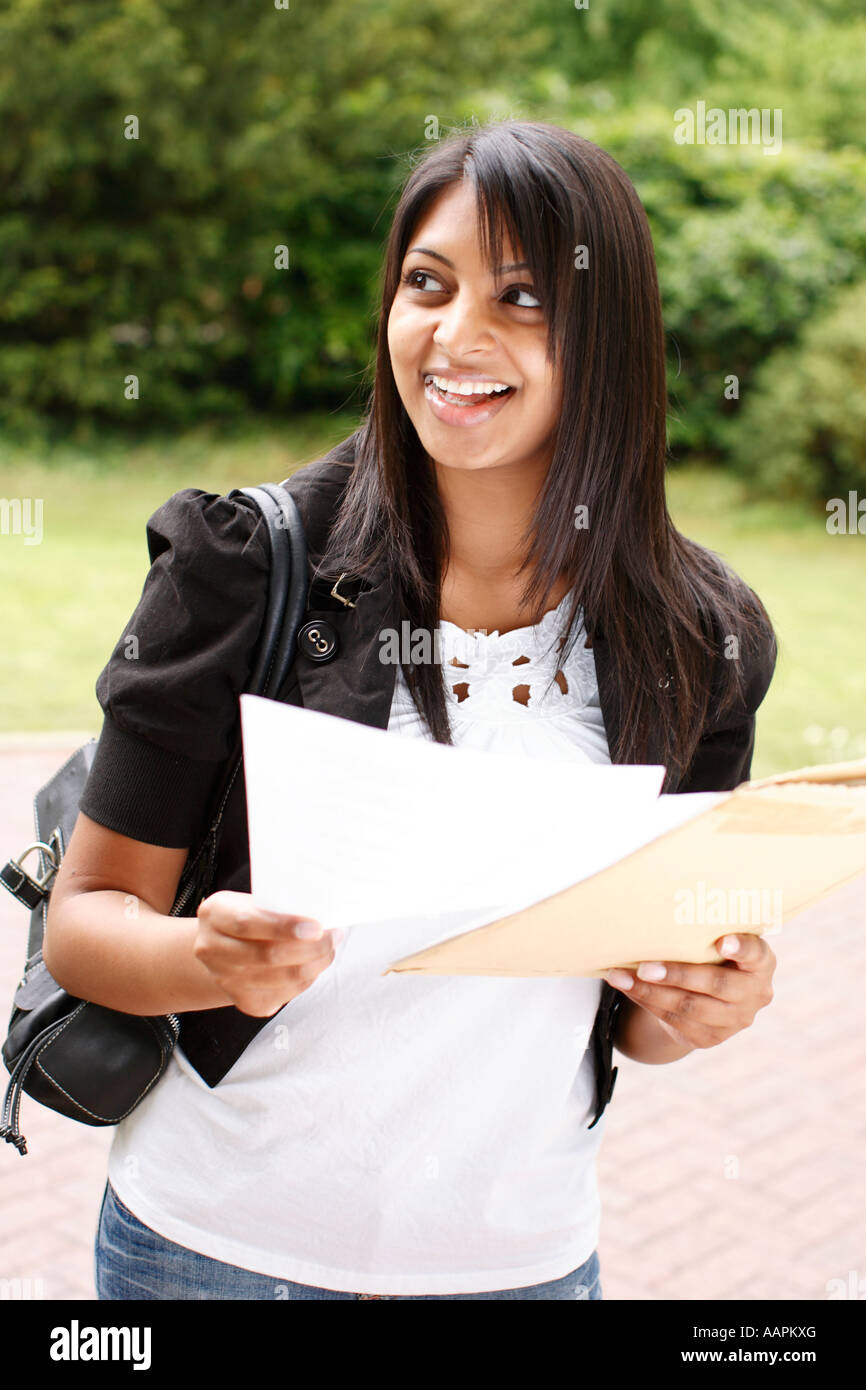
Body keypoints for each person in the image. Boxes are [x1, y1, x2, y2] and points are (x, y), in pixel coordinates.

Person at [43, 120, 778, 1301]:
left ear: (611, 337)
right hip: (211, 1253)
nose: (454, 333)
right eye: (426, 285)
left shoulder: (699, 638)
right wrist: (203, 957)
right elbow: (84, 925)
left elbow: (632, 1007)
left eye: (523, 296)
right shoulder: (242, 565)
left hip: (523, 1268)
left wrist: (698, 1002)